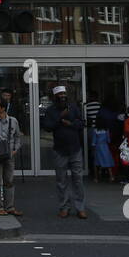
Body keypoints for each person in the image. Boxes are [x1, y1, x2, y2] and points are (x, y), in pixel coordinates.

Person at [42, 84, 86, 218]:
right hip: (60, 150)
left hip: (75, 148)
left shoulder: (73, 108)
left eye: (63, 94)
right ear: (55, 97)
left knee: (78, 179)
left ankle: (80, 208)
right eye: (59, 95)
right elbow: (47, 127)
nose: (62, 96)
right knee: (61, 180)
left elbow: (82, 123)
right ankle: (64, 207)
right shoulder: (50, 110)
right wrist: (59, 118)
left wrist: (71, 124)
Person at [0, 98, 22, 216]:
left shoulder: (13, 121)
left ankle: (10, 207)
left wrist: (15, 150)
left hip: (9, 155)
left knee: (9, 181)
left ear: (3, 108)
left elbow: (17, 137)